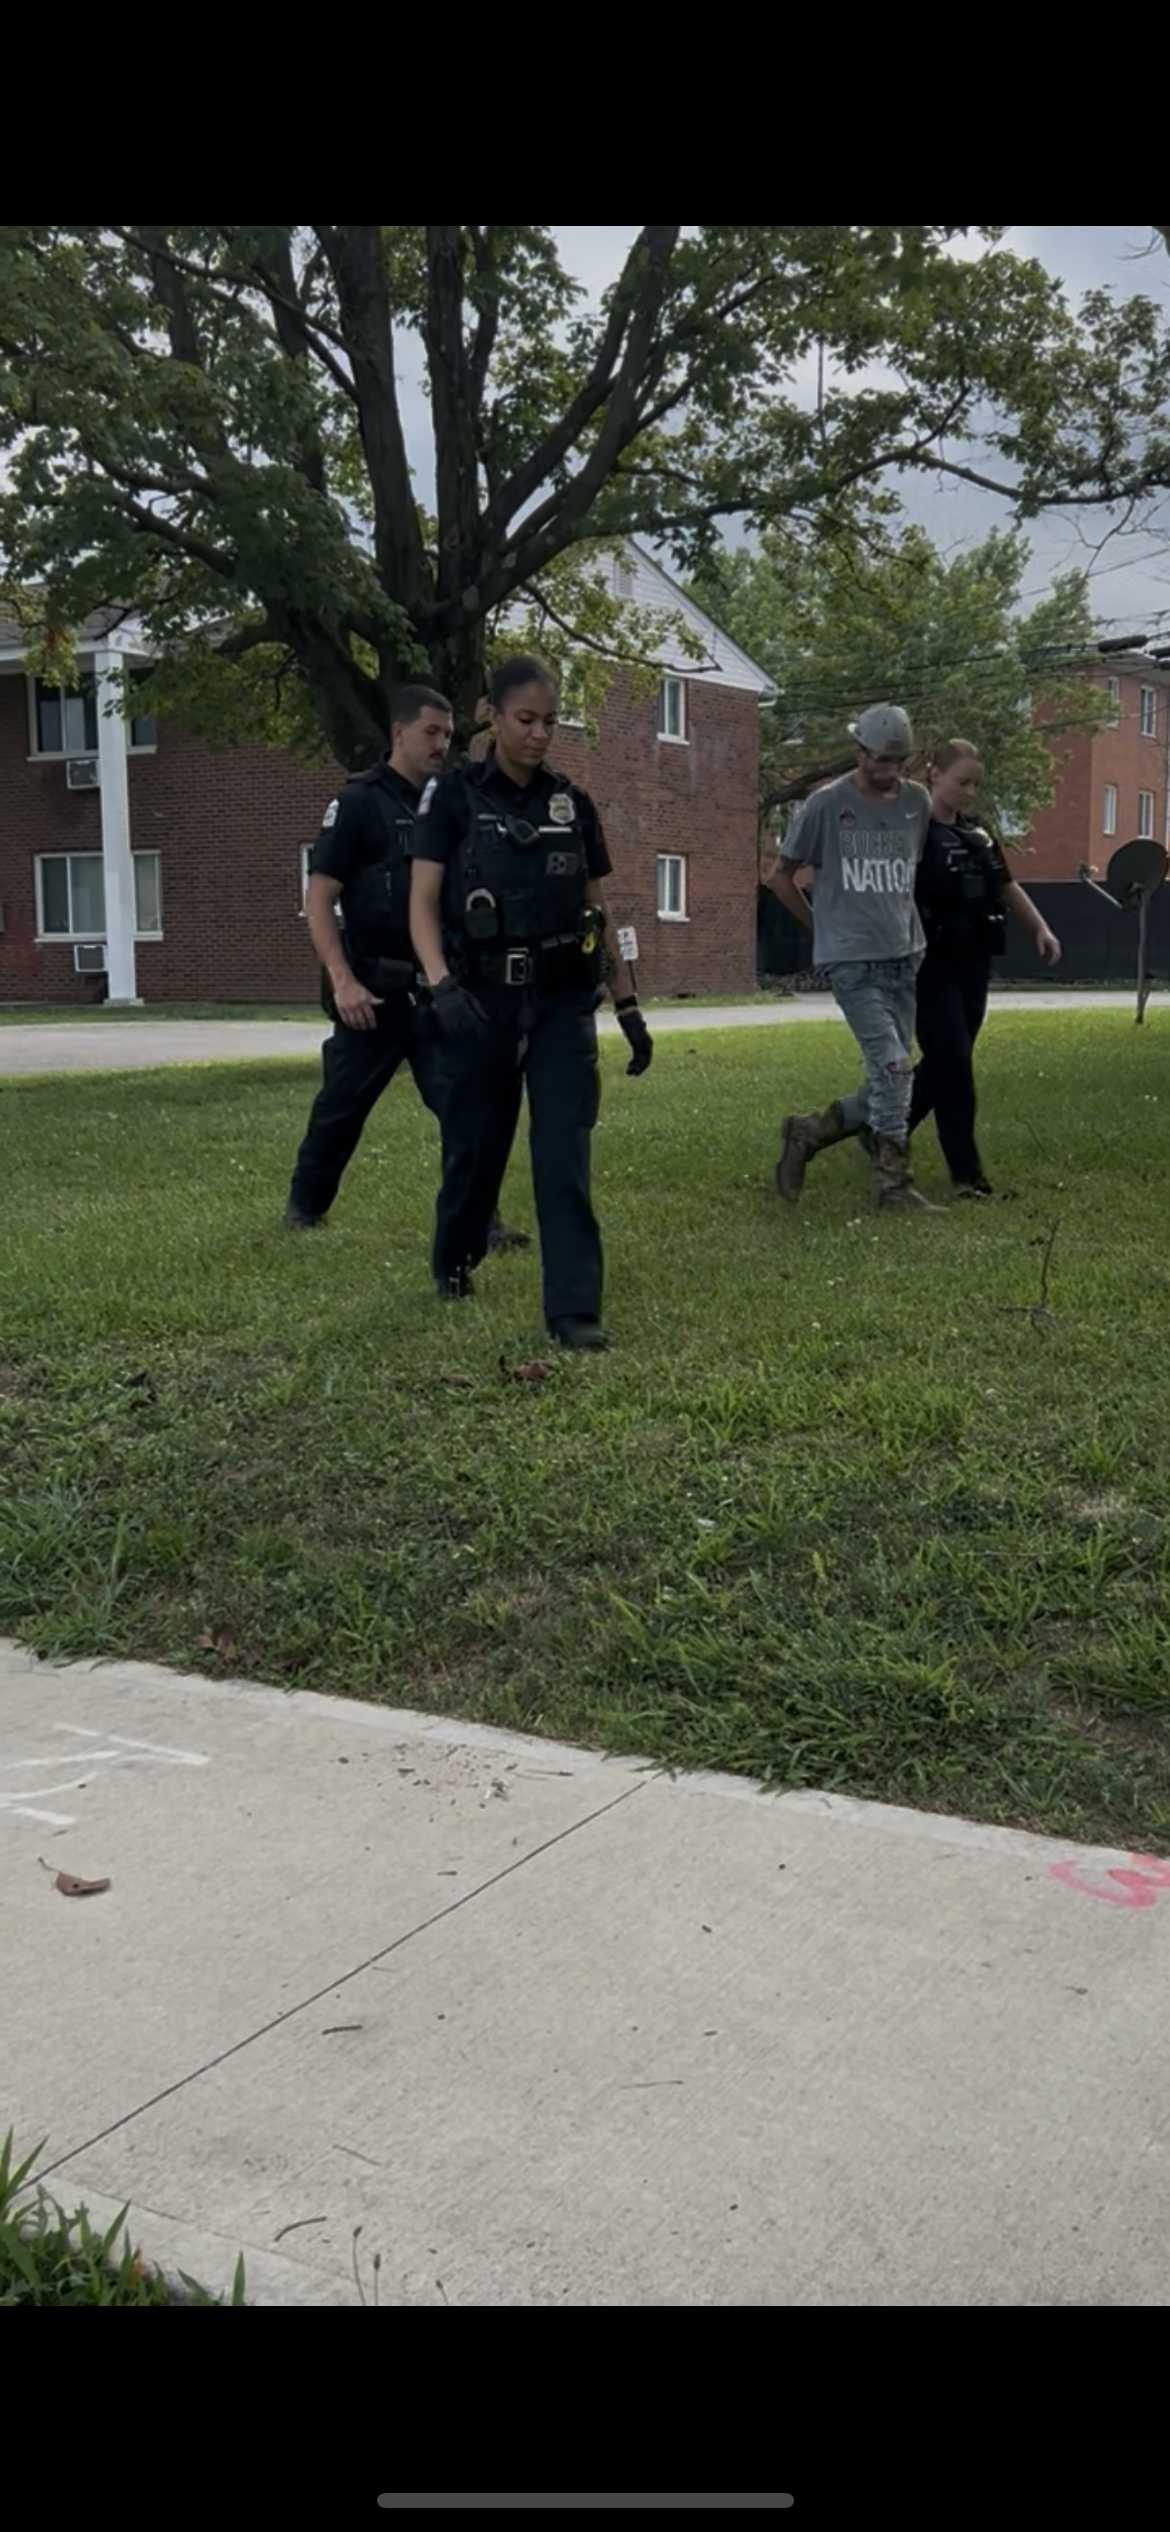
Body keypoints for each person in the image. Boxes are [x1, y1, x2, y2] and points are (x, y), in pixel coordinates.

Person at [408, 654, 653, 1350]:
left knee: (563, 1155)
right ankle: (454, 1259)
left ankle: (574, 1308)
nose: (540, 734)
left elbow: (598, 911)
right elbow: (421, 905)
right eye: (526, 720)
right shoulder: (451, 797)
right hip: (478, 1001)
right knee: (477, 1152)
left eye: (549, 721)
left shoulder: (572, 804)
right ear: (491, 714)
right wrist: (440, 984)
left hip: (560, 1002)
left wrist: (628, 1005)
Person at [284, 684, 528, 1252]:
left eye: (448, 734)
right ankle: (304, 1207)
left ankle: (480, 1223)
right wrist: (342, 979)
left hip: (439, 991)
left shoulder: (457, 802)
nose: (443, 743)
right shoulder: (361, 803)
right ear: (399, 733)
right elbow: (319, 897)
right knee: (341, 1109)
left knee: (465, 1108)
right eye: (431, 733)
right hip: (375, 990)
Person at [772, 702, 937, 1213]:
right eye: (879, 760)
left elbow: (909, 874)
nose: (888, 772)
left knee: (885, 1081)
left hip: (904, 955)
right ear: (858, 751)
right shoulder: (825, 805)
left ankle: (807, 1133)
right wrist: (824, 927)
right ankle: (893, 1185)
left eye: (898, 762)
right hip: (851, 962)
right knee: (894, 1066)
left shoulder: (918, 803)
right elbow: (781, 876)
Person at [899, 738, 1061, 1198]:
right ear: (934, 774)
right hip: (929, 964)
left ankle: (883, 1131)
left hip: (974, 961)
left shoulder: (978, 834)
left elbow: (1007, 886)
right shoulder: (911, 832)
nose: (969, 791)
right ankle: (967, 1175)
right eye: (961, 781)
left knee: (947, 1063)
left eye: (975, 784)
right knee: (954, 1066)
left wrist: (1041, 929)